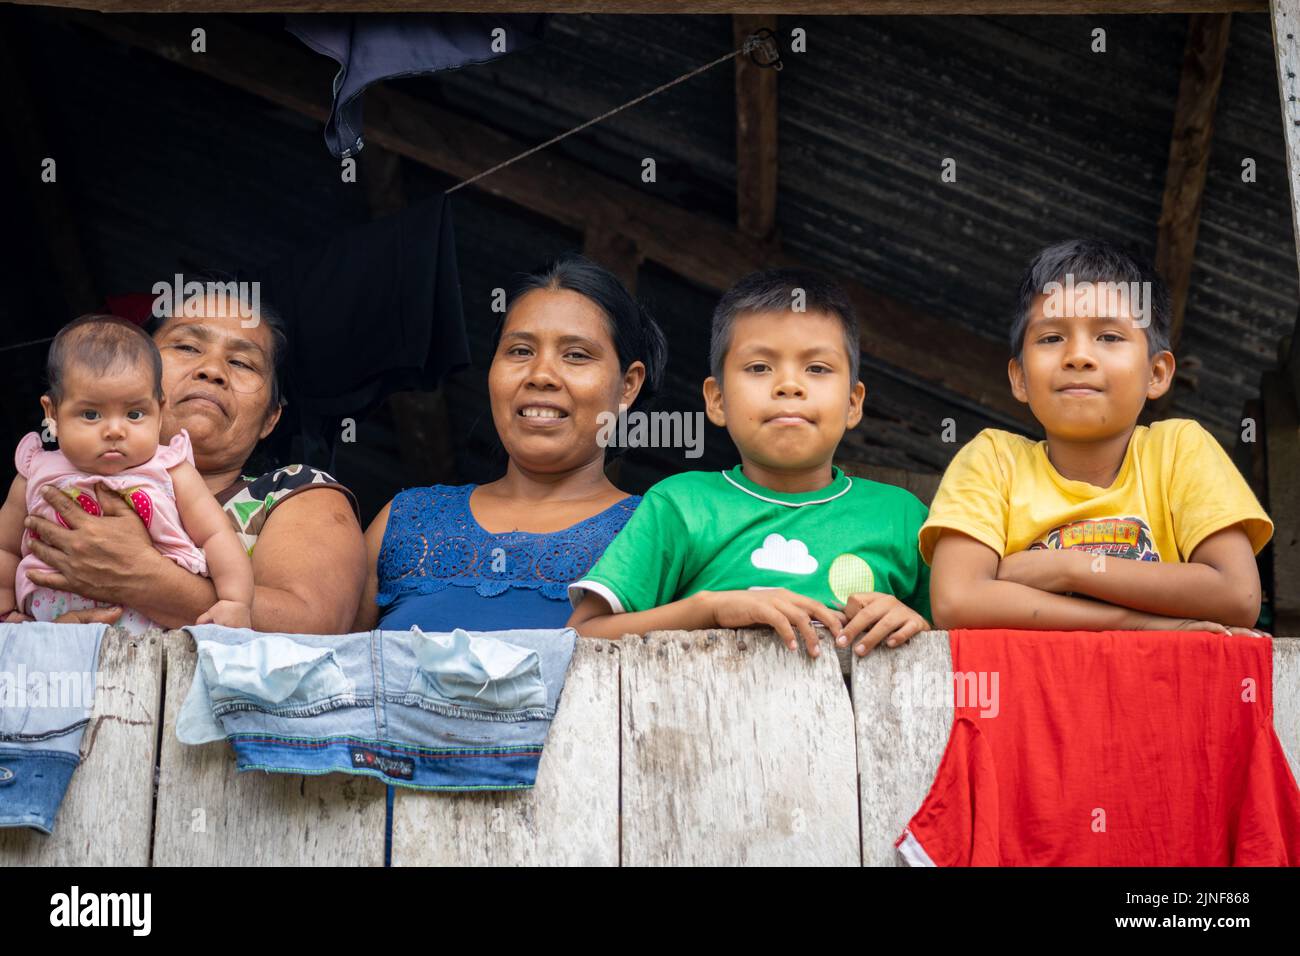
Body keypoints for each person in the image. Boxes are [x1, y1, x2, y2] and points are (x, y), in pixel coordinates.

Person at [566, 268, 932, 659]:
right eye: (759, 367)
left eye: (817, 368)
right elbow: (581, 637)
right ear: (717, 400)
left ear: (854, 403)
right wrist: (710, 610)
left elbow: (969, 644)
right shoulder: (681, 505)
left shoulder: (903, 517)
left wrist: (918, 625)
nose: (789, 385)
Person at [923, 238, 1272, 633]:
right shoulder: (992, 460)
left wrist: (1070, 569)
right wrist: (1137, 623)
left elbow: (1238, 595)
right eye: (1052, 338)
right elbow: (957, 601)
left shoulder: (1179, 449)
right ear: (1020, 378)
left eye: (1108, 336)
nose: (1078, 356)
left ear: (1156, 374)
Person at [18, 288, 367, 633]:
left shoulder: (295, 490)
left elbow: (314, 626)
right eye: (186, 346)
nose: (212, 369)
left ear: (270, 419)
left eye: (241, 362)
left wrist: (144, 576)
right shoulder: (45, 474)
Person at [353, 254, 668, 632]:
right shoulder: (404, 521)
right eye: (520, 351)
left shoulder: (659, 532)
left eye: (576, 355)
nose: (541, 375)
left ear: (628, 385)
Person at [0, 315, 253, 631]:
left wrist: (234, 601)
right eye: (91, 414)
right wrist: (6, 612)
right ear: (52, 413)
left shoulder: (171, 470)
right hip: (50, 634)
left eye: (134, 414)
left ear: (159, 412)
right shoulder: (33, 472)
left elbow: (217, 535)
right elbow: (5, 548)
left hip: (156, 639)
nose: (115, 430)